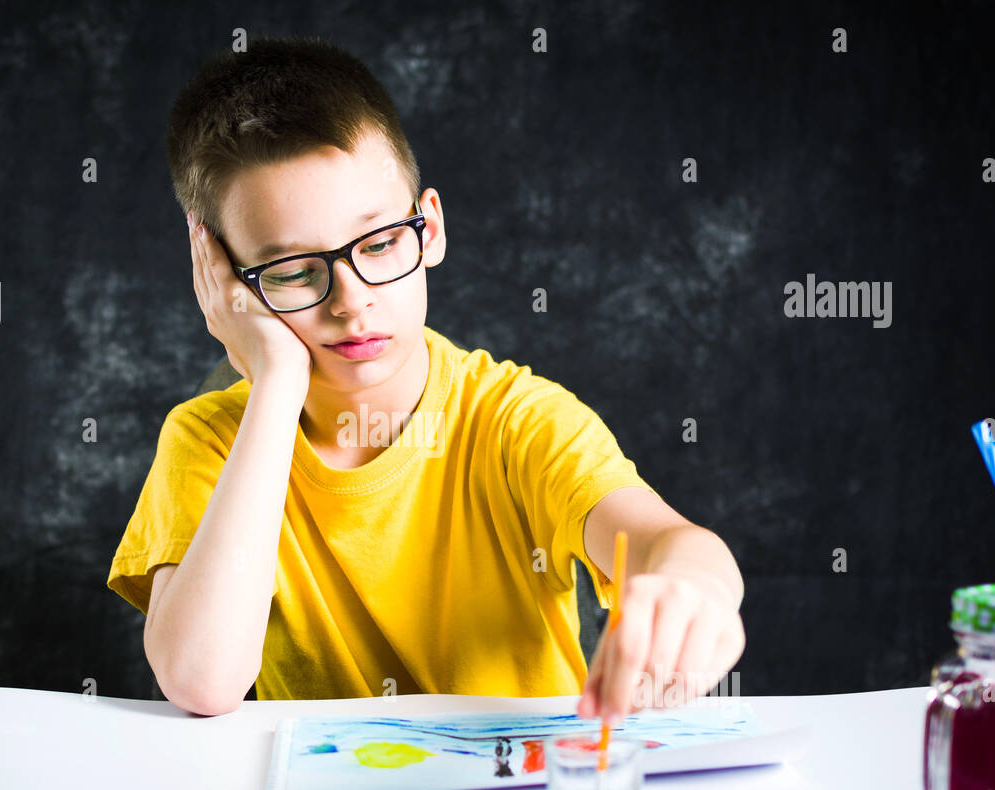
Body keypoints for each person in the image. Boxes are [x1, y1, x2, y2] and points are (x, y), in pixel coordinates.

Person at [107, 36, 745, 718]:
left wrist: (692, 591)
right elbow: (202, 681)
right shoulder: (209, 440)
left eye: (379, 243)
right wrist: (277, 384)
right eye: (292, 272)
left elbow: (671, 545)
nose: (350, 300)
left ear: (429, 228)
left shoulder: (514, 420)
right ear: (227, 284)